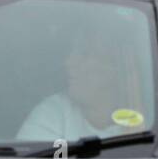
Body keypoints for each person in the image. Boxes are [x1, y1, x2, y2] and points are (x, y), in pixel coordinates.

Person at [17, 23, 146, 142]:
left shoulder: (155, 124)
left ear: (114, 69)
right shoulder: (55, 114)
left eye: (84, 54)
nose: (68, 63)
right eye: (73, 52)